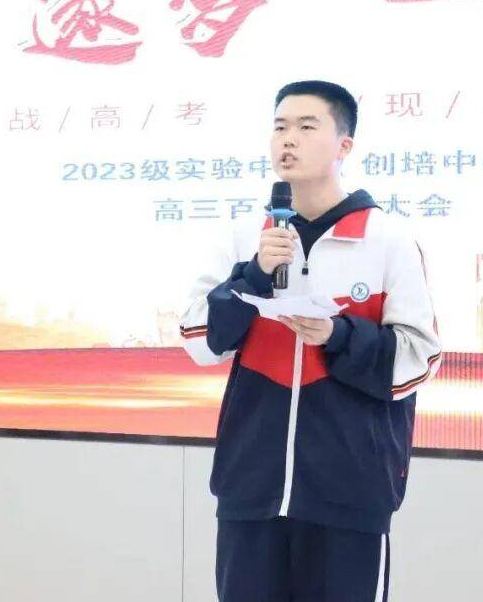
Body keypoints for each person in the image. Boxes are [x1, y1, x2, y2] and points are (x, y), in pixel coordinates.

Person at [178, 79, 443, 601]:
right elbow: (201, 341)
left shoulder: (387, 240)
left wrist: (337, 334)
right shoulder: (245, 235)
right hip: (251, 487)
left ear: (345, 145)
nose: (288, 139)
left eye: (306, 126)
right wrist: (254, 274)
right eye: (279, 126)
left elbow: (417, 360)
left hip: (350, 490)